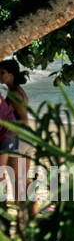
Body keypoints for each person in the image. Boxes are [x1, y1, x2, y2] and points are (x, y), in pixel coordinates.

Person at [0, 59, 30, 206]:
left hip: (19, 136)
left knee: (14, 176)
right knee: (22, 178)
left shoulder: (13, 94)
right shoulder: (19, 90)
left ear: (11, 74)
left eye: (2, 72)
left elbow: (23, 119)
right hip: (27, 137)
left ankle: (21, 207)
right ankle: (27, 207)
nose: (0, 75)